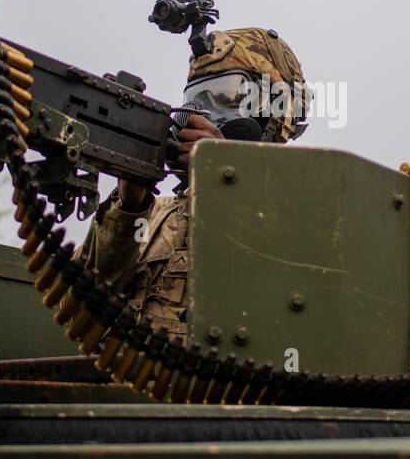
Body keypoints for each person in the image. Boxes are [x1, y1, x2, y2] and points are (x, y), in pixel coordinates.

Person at [74, 27, 309, 336]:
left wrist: (225, 180)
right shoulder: (154, 214)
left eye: (227, 97)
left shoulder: (306, 215)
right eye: (196, 100)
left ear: (278, 111)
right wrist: (129, 206)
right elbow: (76, 306)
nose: (203, 114)